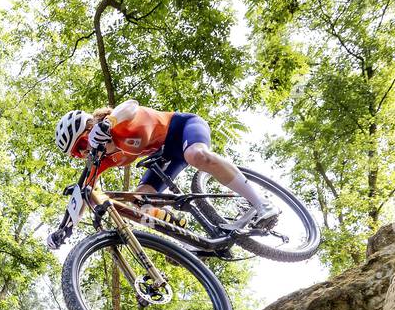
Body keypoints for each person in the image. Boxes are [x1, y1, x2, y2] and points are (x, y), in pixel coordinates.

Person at [50, 101, 279, 245]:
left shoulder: (118, 122)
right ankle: (182, 230)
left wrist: (108, 123)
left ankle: (262, 203)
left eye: (81, 145)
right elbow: (83, 193)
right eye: (79, 154)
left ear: (90, 128)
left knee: (196, 156)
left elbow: (131, 105)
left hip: (182, 128)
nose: (85, 152)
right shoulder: (107, 157)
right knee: (138, 202)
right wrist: (64, 230)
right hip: (164, 156)